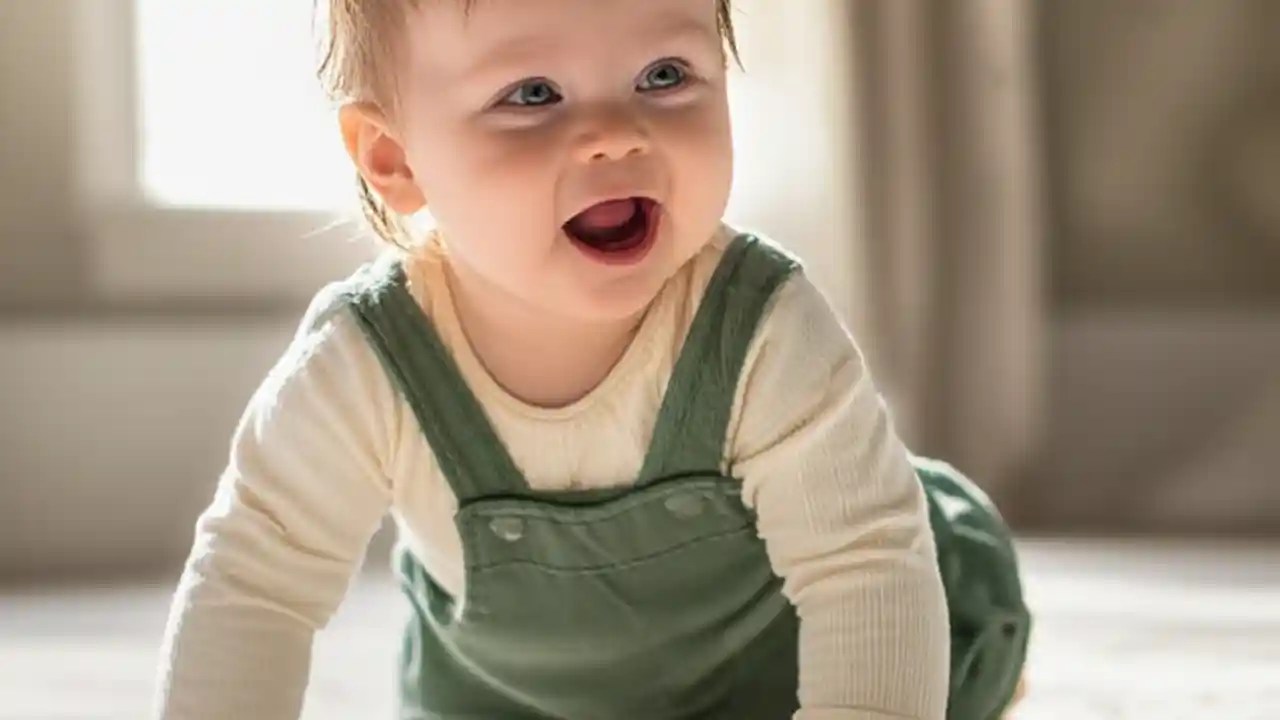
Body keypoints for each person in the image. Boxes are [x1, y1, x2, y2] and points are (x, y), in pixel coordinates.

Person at [154, 1, 1030, 718]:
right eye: (533, 93)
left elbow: (864, 565)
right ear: (395, 159)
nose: (616, 135)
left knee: (913, 572)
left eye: (665, 75)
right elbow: (254, 587)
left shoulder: (760, 325)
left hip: (785, 675)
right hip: (506, 701)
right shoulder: (366, 365)